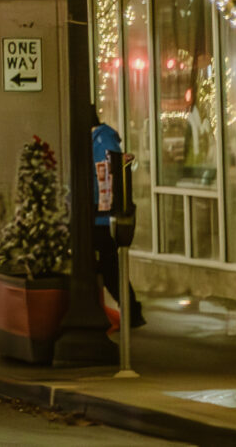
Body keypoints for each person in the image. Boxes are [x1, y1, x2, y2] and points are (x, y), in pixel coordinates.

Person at [92, 109, 143, 327]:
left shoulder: (102, 140)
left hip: (102, 217)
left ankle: (131, 311)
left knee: (109, 268)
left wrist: (101, 206)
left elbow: (108, 176)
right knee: (106, 267)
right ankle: (130, 311)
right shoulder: (101, 139)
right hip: (99, 216)